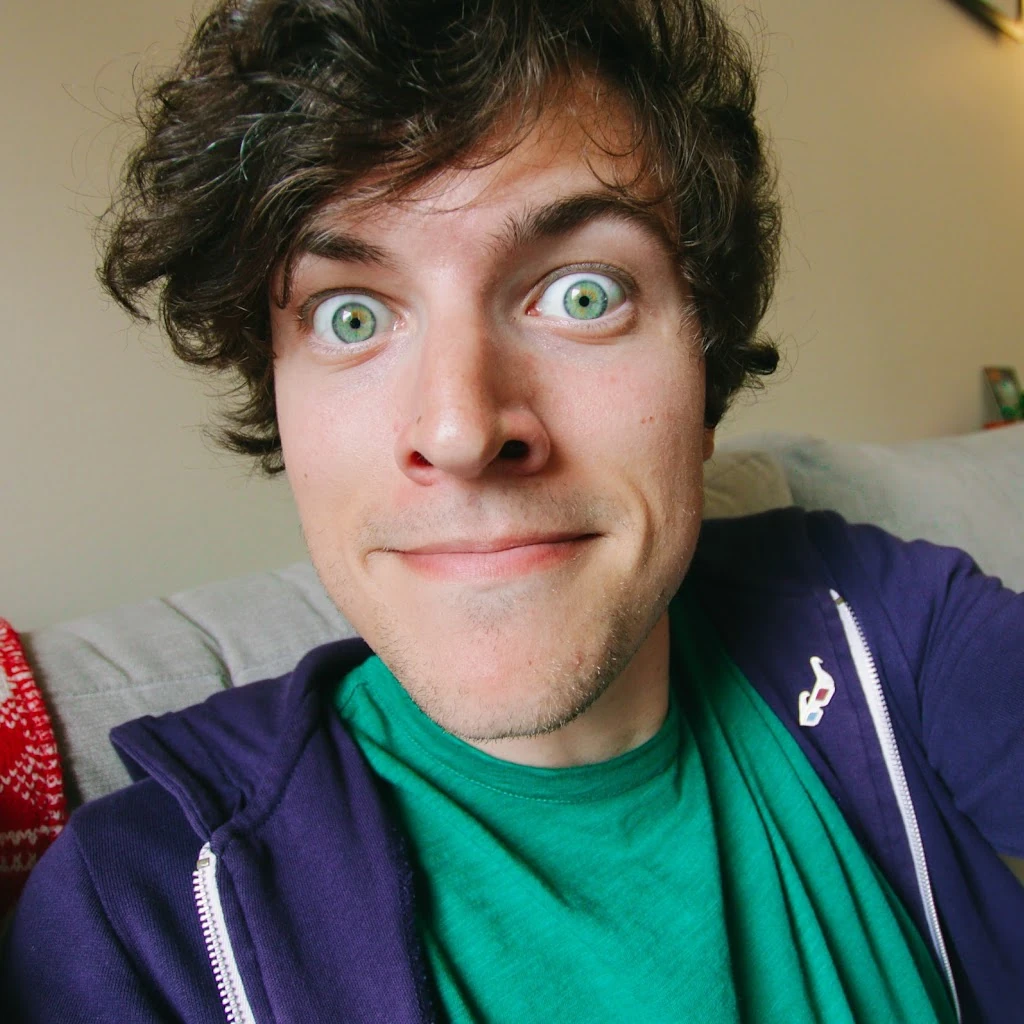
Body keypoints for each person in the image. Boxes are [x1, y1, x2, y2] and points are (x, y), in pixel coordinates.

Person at [3, 0, 1022, 1020]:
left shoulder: (887, 623)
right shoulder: (136, 927)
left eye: (584, 294)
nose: (459, 428)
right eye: (349, 316)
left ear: (704, 381)